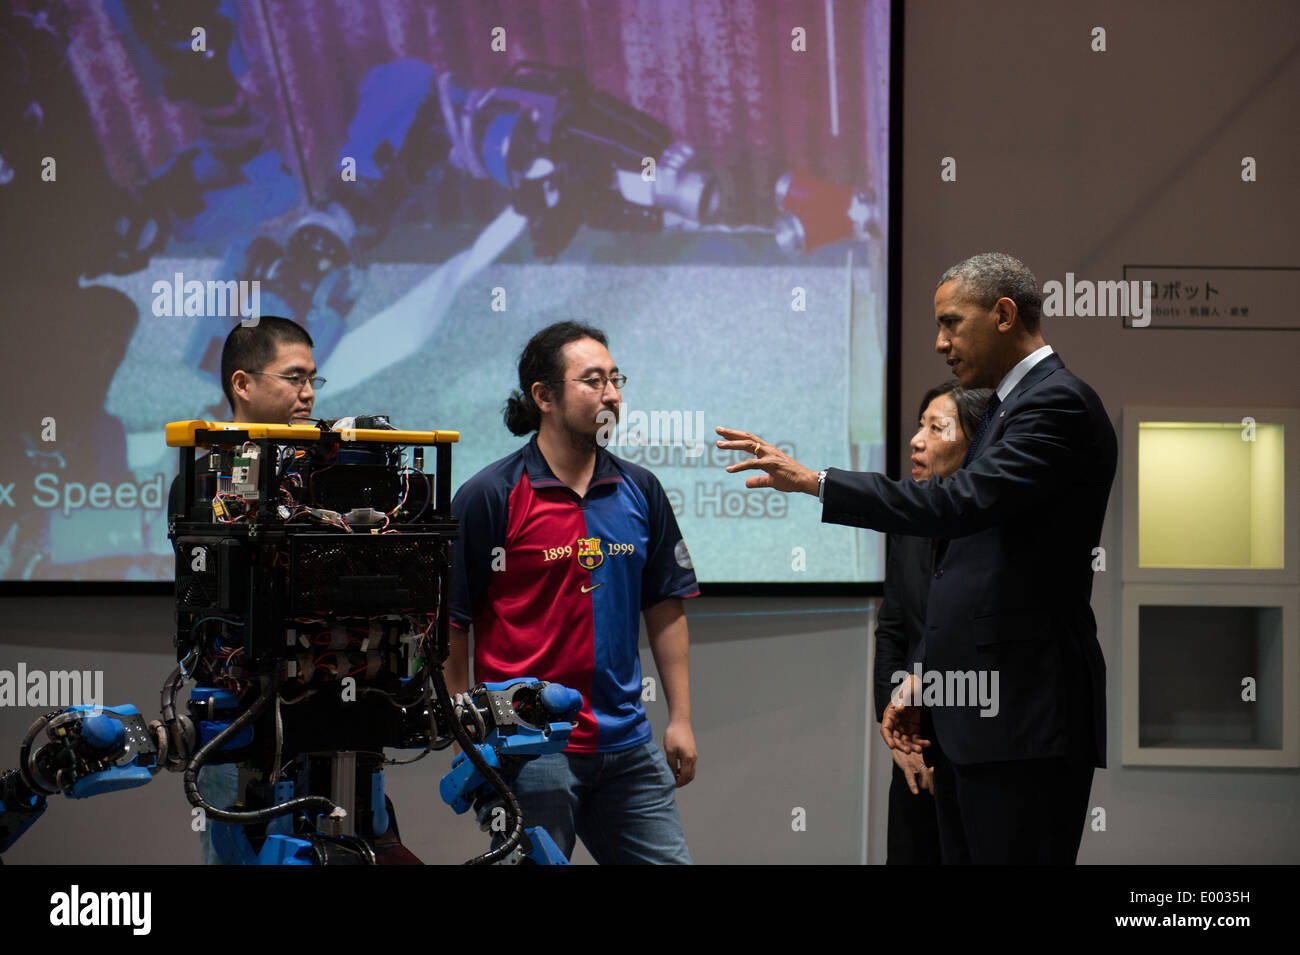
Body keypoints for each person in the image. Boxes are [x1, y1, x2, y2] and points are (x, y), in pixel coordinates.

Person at [718, 252, 1116, 865]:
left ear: (1004, 314)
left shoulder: (1056, 404)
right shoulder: (1006, 408)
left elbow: (957, 505)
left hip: (1023, 721)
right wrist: (923, 675)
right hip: (976, 721)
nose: (939, 342)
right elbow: (969, 571)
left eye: (953, 323)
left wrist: (816, 480)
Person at [448, 321, 699, 864]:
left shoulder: (641, 488)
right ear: (544, 396)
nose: (612, 394)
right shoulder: (490, 495)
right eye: (593, 381)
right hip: (529, 746)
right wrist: (464, 726)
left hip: (628, 742)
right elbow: (453, 620)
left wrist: (679, 717)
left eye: (615, 379)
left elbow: (664, 606)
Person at [875, 381, 991, 865]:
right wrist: (904, 741)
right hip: (915, 741)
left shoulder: (996, 530)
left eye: (935, 427)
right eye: (918, 425)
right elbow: (894, 632)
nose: (916, 441)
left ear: (977, 442)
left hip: (980, 750)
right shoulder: (909, 522)